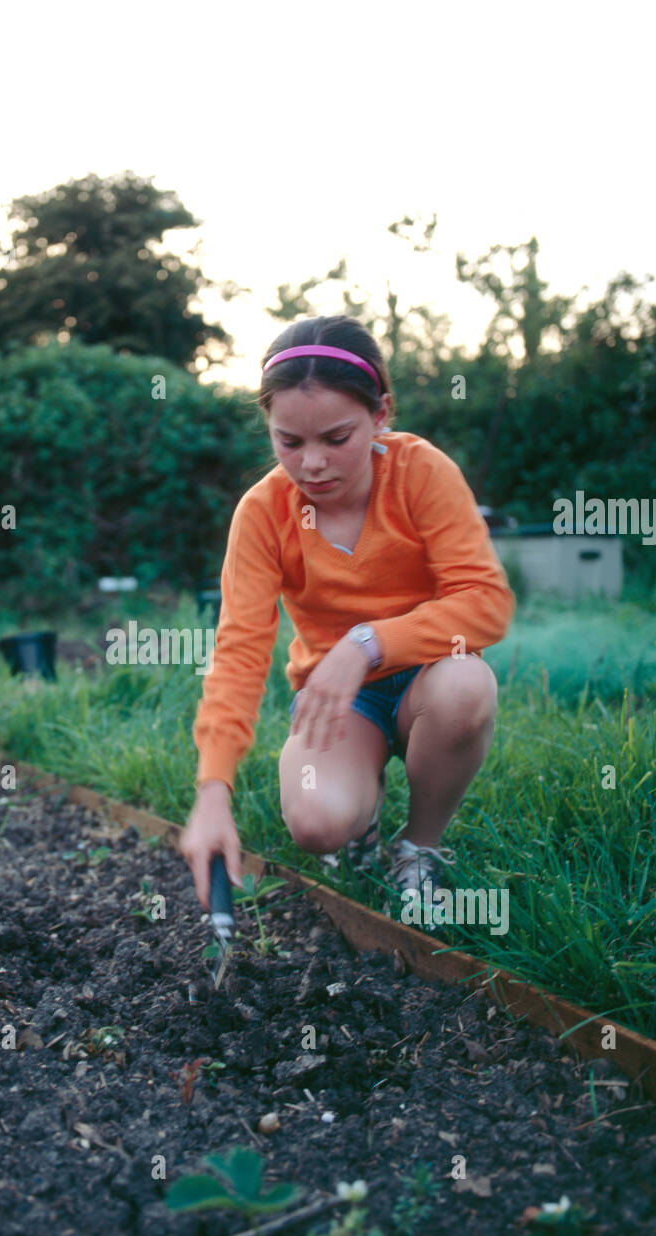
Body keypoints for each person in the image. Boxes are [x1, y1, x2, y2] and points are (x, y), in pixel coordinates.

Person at [179, 315, 515, 922]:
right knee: (316, 821)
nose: (312, 464)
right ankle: (358, 820)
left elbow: (485, 601)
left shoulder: (420, 472)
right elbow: (239, 653)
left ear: (381, 412)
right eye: (289, 441)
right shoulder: (262, 512)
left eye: (336, 438)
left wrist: (366, 644)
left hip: (427, 682)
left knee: (468, 685)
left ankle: (419, 847)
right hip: (338, 702)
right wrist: (212, 791)